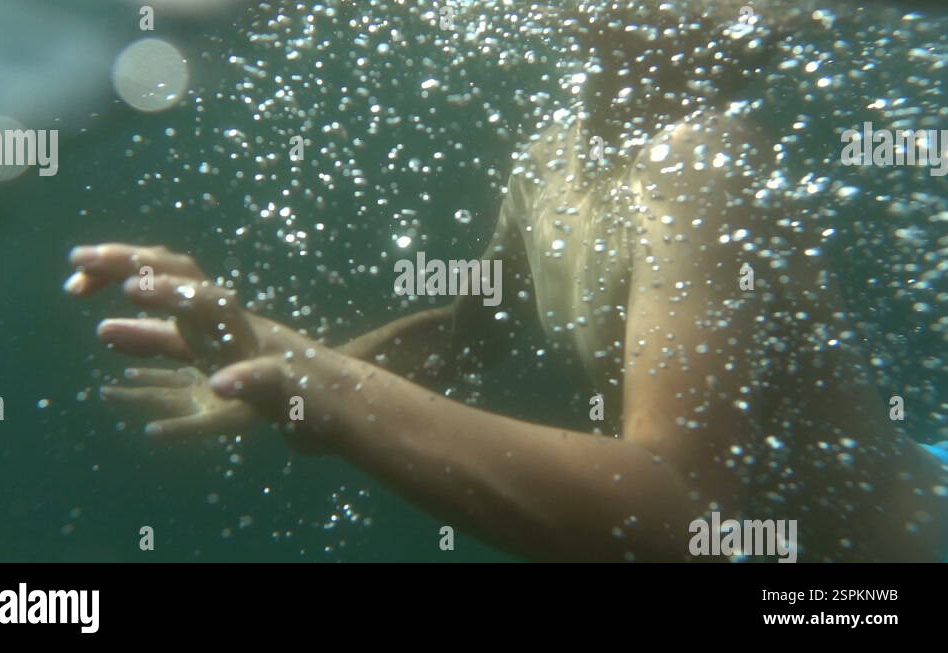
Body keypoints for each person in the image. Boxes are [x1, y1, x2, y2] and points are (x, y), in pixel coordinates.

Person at [63, 0, 948, 561]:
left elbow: (682, 517)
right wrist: (269, 361)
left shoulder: (701, 160)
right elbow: (462, 335)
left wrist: (329, 390)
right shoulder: (554, 156)